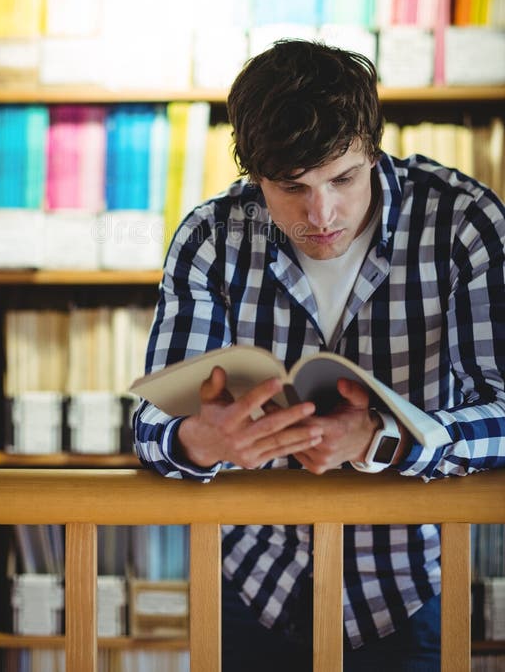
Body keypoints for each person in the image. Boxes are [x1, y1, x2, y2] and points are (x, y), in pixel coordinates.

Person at [133, 39, 505, 672]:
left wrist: (381, 437)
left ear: (374, 147)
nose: (321, 213)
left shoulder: (462, 224)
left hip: (407, 588)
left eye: (343, 177)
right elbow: (149, 427)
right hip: (253, 582)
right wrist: (201, 440)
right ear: (254, 174)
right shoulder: (212, 236)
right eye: (291, 187)